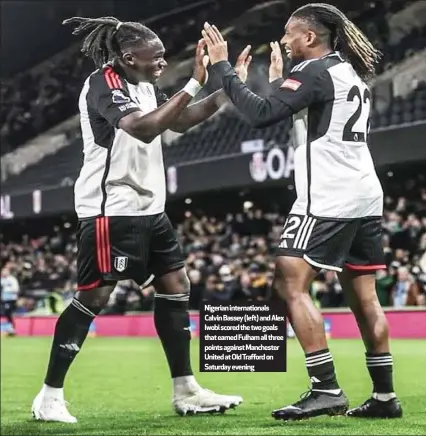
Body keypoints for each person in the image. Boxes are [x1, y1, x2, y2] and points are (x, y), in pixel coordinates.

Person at [32, 16, 252, 423]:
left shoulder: (144, 84)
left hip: (150, 209)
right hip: (110, 209)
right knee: (95, 297)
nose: (163, 64)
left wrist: (225, 91)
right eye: (157, 58)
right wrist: (193, 83)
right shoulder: (105, 83)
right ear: (129, 57)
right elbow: (144, 129)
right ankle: (49, 395)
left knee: (176, 284)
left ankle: (186, 390)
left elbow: (180, 120)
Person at [202, 2, 403, 421]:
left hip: (328, 195)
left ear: (309, 37)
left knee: (288, 282)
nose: (286, 41)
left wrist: (221, 68)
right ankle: (385, 398)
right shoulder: (346, 73)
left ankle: (326, 389)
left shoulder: (312, 71)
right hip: (365, 194)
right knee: (363, 296)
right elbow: (301, 114)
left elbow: (260, 115)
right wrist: (278, 82)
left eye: (290, 34)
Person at [1, 266, 20, 336]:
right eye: (2, 271)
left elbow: (16, 289)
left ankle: (12, 328)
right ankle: (9, 328)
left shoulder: (12, 280)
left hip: (11, 299)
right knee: (6, 314)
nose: (3, 273)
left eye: (5, 271)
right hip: (4, 300)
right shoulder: (2, 280)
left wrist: (7, 290)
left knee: (8, 313)